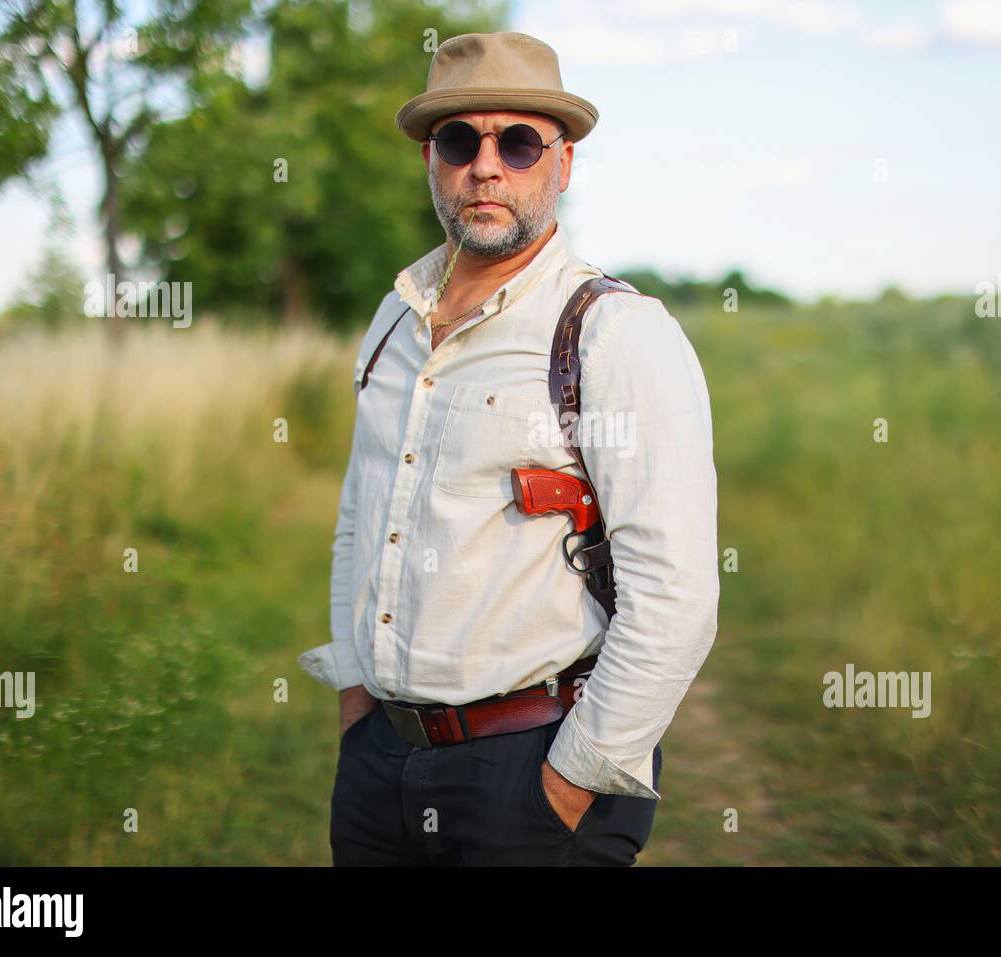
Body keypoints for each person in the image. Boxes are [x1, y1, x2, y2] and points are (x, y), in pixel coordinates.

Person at [297, 30, 719, 866]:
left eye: (518, 142)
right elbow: (360, 518)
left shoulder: (614, 333)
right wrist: (357, 703)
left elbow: (675, 596)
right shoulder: (392, 323)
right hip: (380, 760)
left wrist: (568, 783)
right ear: (430, 159)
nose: (486, 165)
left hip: (531, 769)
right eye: (460, 139)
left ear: (561, 165)